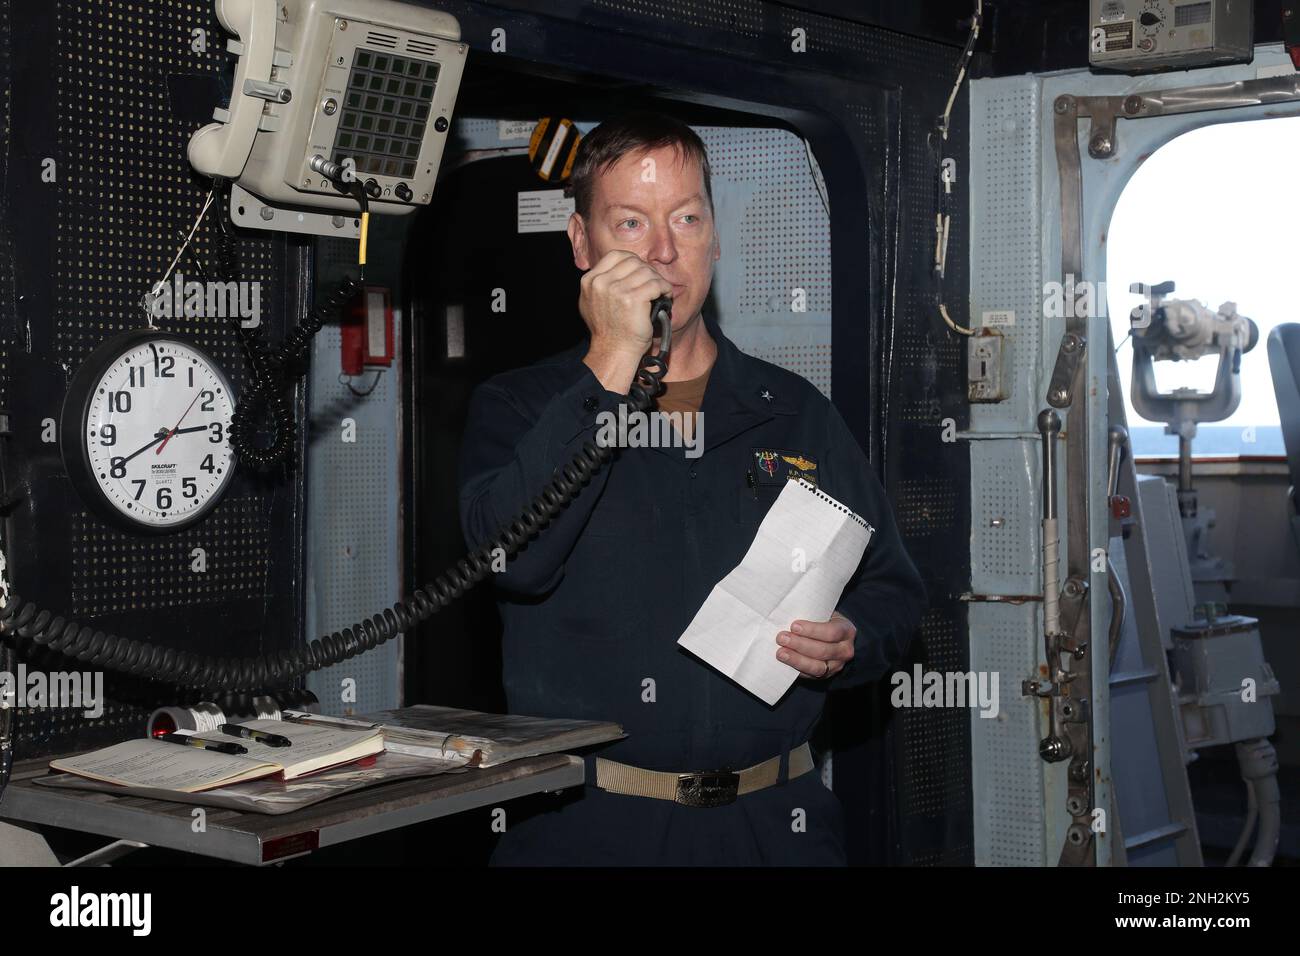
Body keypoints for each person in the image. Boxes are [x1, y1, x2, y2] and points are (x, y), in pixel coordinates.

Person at [458, 112, 926, 865]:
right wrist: (611, 362)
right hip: (593, 829)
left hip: (775, 827)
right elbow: (513, 560)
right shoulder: (518, 408)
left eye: (686, 217)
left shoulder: (793, 411)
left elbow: (894, 595)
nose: (665, 251)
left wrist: (852, 640)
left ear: (714, 235)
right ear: (582, 244)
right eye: (631, 223)